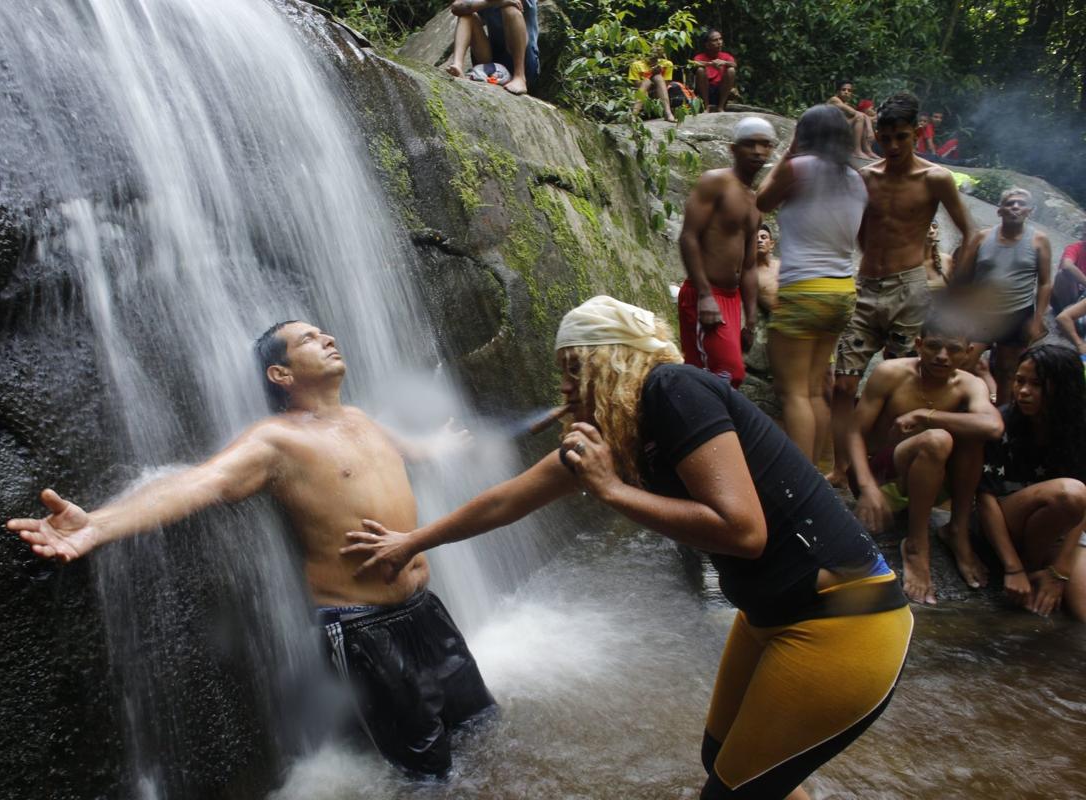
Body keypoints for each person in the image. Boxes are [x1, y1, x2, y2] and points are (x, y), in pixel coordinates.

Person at [343, 296, 912, 800]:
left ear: (608, 360)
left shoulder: (675, 388)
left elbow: (744, 530)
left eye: (572, 370)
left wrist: (610, 490)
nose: (563, 389)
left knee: (734, 791)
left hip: (843, 623)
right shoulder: (618, 433)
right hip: (773, 618)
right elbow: (506, 501)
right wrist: (414, 541)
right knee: (727, 764)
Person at [7, 321, 494, 777]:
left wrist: (443, 443)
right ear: (280, 373)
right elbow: (200, 482)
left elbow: (411, 451)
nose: (325, 337)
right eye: (307, 339)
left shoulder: (361, 419)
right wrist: (97, 524)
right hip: (363, 629)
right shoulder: (275, 441)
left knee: (481, 725)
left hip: (425, 609)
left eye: (323, 331)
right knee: (428, 772)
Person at [829, 91, 974, 489]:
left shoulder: (935, 178)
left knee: (908, 382)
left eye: (902, 137)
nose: (893, 146)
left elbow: (970, 230)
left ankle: (890, 471)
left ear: (917, 132)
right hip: (865, 287)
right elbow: (859, 229)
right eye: (886, 137)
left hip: (909, 290)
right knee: (842, 383)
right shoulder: (867, 177)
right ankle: (842, 468)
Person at [847, 310, 1004, 605]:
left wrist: (926, 415)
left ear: (968, 352)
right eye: (933, 346)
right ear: (919, 344)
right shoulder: (891, 373)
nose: (942, 356)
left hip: (928, 480)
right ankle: (917, 544)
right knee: (938, 438)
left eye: (954, 349)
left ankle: (957, 528)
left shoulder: (969, 384)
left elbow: (993, 426)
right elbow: (854, 433)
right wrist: (866, 488)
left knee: (970, 436)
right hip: (881, 480)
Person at [756, 105, 868, 465]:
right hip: (841, 292)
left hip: (804, 290)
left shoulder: (798, 169)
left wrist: (788, 152)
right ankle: (817, 473)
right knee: (816, 391)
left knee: (793, 394)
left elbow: (761, 200)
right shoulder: (856, 179)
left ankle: (800, 484)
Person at [978, 345, 1086, 621]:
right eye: (1019, 381)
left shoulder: (1078, 430)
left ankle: (1039, 572)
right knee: (1070, 492)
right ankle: (1028, 567)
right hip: (1007, 518)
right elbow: (986, 498)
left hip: (1059, 528)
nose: (1023, 391)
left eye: (1036, 384)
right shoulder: (1001, 423)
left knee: (1082, 610)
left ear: (1063, 388)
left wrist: (1059, 571)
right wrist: (1013, 569)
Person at [676, 117, 773, 387]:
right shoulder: (715, 182)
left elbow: (750, 265)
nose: (757, 151)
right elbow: (688, 237)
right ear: (733, 149)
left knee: (716, 376)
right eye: (750, 144)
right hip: (705, 294)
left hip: (731, 299)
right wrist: (705, 296)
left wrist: (750, 320)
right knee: (727, 374)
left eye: (764, 145)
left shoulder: (755, 202)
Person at [954, 187, 1052, 406]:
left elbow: (1045, 283)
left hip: (1017, 313)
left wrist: (1037, 320)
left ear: (1029, 211)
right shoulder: (982, 237)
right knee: (964, 362)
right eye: (1009, 203)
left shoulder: (1039, 241)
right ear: (1000, 211)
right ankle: (957, 405)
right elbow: (963, 277)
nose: (1015, 207)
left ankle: (1002, 415)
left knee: (1008, 371)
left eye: (1021, 204)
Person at [443, 0, 539, 96]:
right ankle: (457, 66)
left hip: (525, 61)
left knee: (510, 8)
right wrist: (492, 3)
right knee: (467, 15)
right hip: (492, 61)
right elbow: (456, 7)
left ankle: (519, 77)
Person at [826, 80, 876, 159]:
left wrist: (873, 120)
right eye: (843, 89)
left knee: (862, 119)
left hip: (839, 130)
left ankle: (868, 151)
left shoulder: (845, 103)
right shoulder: (834, 100)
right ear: (838, 91)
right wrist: (870, 128)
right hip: (829, 132)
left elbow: (862, 116)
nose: (846, 92)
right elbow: (855, 113)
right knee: (860, 118)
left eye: (849, 91)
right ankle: (857, 151)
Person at [1051, 222, 1086, 327]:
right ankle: (1067, 312)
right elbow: (1067, 265)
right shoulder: (1075, 248)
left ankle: (1074, 317)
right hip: (1070, 295)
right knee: (1063, 274)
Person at [692, 28, 736, 112]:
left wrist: (724, 63)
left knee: (731, 70)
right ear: (707, 44)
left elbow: (734, 64)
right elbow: (694, 63)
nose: (719, 42)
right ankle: (706, 107)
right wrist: (711, 63)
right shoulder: (700, 56)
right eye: (715, 40)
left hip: (721, 91)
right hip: (704, 91)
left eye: (720, 39)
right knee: (700, 70)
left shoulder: (726, 56)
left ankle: (721, 107)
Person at [629, 46, 676, 122]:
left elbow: (666, 84)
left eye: (655, 58)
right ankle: (634, 114)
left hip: (658, 93)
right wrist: (651, 74)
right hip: (643, 91)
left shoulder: (667, 64)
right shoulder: (636, 65)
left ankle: (668, 113)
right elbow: (637, 85)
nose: (652, 60)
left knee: (658, 77)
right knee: (647, 81)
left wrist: (657, 73)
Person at [754, 223, 780, 314]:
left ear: (772, 244)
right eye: (755, 238)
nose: (759, 241)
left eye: (763, 237)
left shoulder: (782, 264)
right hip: (778, 319)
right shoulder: (751, 275)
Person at [923, 221, 953, 295]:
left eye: (934, 226)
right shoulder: (909, 264)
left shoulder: (947, 260)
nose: (932, 231)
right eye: (927, 227)